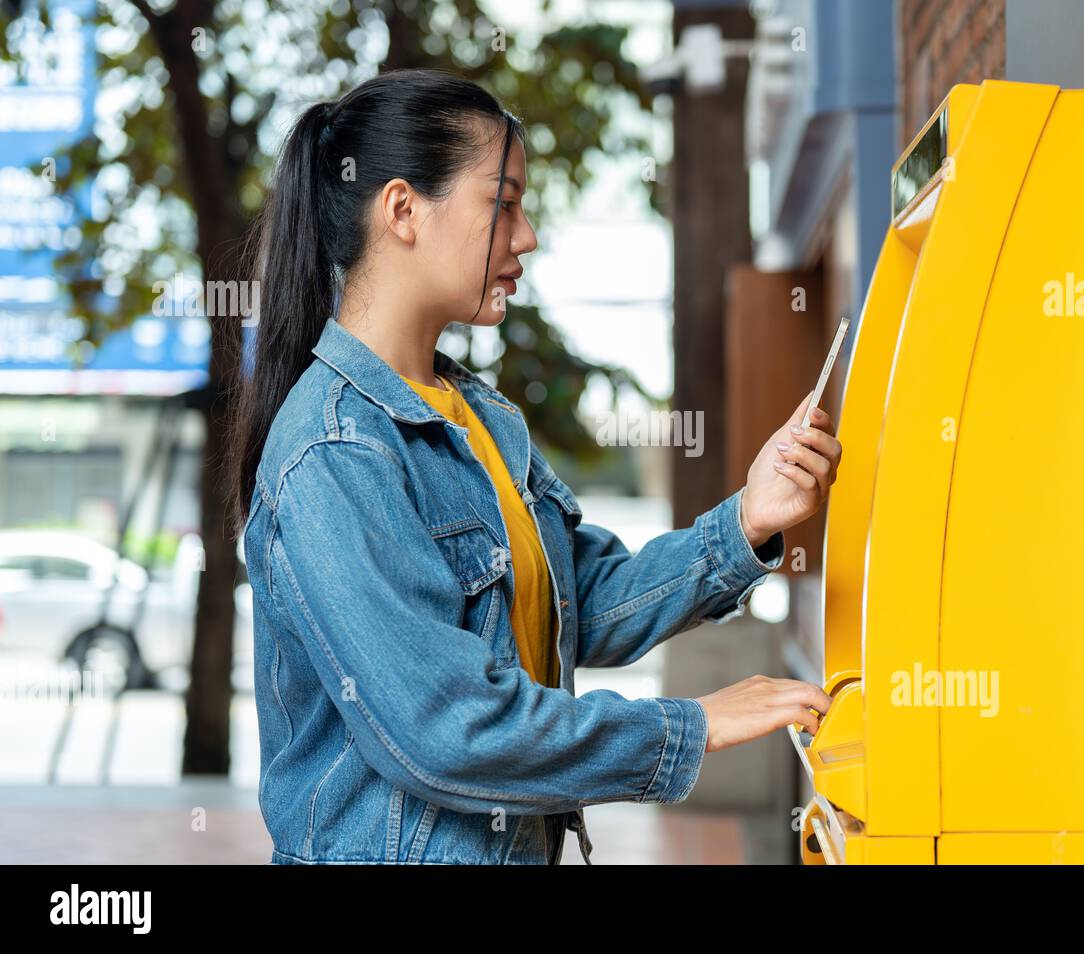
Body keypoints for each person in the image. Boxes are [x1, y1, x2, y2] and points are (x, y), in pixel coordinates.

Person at [228, 69, 842, 865]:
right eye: (503, 203)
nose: (527, 236)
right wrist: (696, 724)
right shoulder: (336, 451)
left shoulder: (480, 418)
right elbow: (450, 729)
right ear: (404, 210)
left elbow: (578, 603)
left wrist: (748, 520)